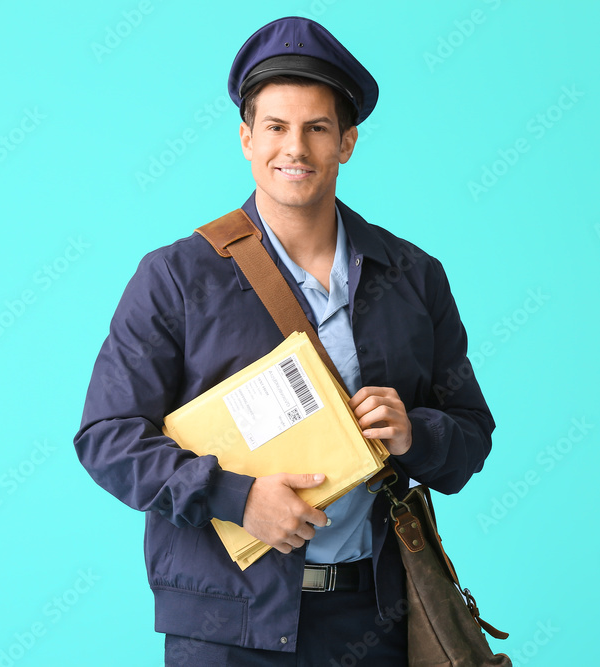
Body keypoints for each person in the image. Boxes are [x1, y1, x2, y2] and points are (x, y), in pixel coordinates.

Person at [74, 16, 495, 665]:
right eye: (274, 127)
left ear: (347, 141)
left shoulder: (415, 277)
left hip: (374, 622)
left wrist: (415, 433)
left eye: (317, 127)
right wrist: (238, 499)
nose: (293, 147)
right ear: (246, 138)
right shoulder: (175, 278)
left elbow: (470, 437)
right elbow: (106, 437)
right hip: (227, 628)